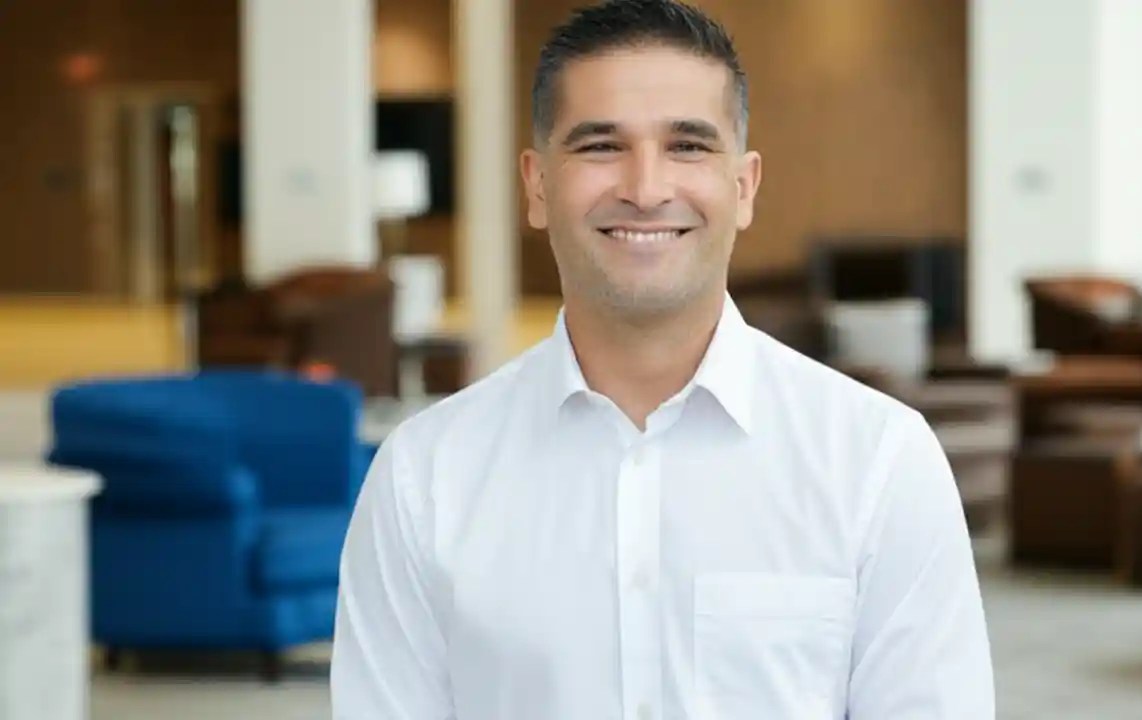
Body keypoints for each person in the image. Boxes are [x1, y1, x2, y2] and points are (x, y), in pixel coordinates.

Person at [331, 0, 994, 717]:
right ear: (537, 185)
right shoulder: (423, 477)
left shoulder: (879, 461)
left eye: (688, 146)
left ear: (743, 188)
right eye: (599, 146)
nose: (646, 189)